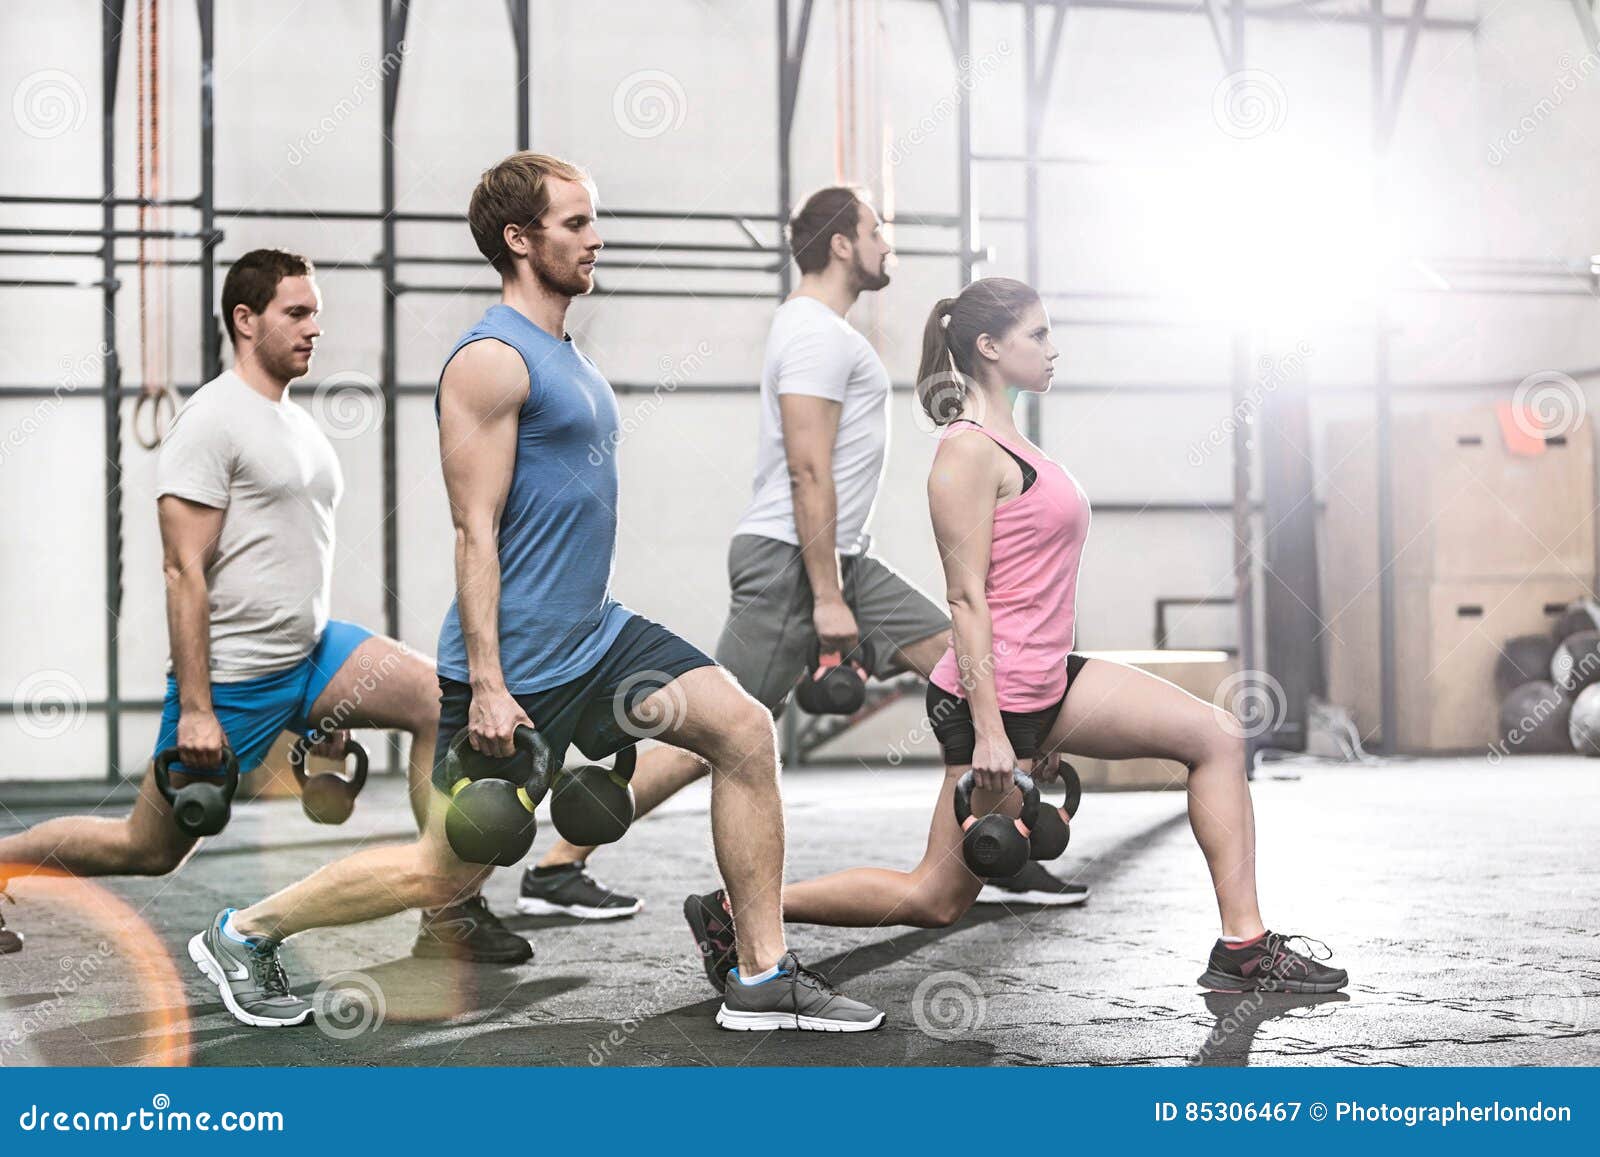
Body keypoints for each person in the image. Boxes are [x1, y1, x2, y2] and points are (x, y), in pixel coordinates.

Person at [188, 153, 883, 1033]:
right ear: (519, 240)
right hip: (517, 667)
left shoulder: (561, 352)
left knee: (743, 728)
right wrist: (486, 683)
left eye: (594, 220)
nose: (596, 238)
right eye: (576, 223)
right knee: (443, 873)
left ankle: (760, 971)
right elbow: (473, 531)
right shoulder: (490, 360)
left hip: (599, 637)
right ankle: (244, 930)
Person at [683, 277, 1349, 997]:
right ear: (990, 347)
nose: (1053, 349)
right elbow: (966, 601)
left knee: (1218, 734)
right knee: (935, 898)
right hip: (987, 700)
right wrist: (995, 733)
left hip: (1051, 680)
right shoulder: (965, 453)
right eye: (1037, 334)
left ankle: (1243, 948)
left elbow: (1040, 587)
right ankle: (739, 909)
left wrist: (1051, 713)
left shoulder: (1017, 441)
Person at [523, 186, 1088, 924]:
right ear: (844, 243)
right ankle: (560, 861)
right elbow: (807, 466)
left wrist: (839, 578)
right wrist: (825, 594)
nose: (889, 242)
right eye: (876, 228)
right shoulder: (815, 333)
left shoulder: (827, 331)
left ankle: (992, 836)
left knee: (970, 664)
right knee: (712, 733)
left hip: (842, 559)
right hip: (796, 561)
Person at [0, 249, 527, 973]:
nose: (315, 329)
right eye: (297, 313)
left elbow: (293, 556)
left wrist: (327, 713)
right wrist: (195, 707)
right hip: (236, 676)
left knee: (442, 699)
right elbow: (183, 569)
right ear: (245, 319)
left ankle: (448, 905)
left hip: (312, 650)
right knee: (146, 848)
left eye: (318, 313)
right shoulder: (211, 420)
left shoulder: (294, 422)